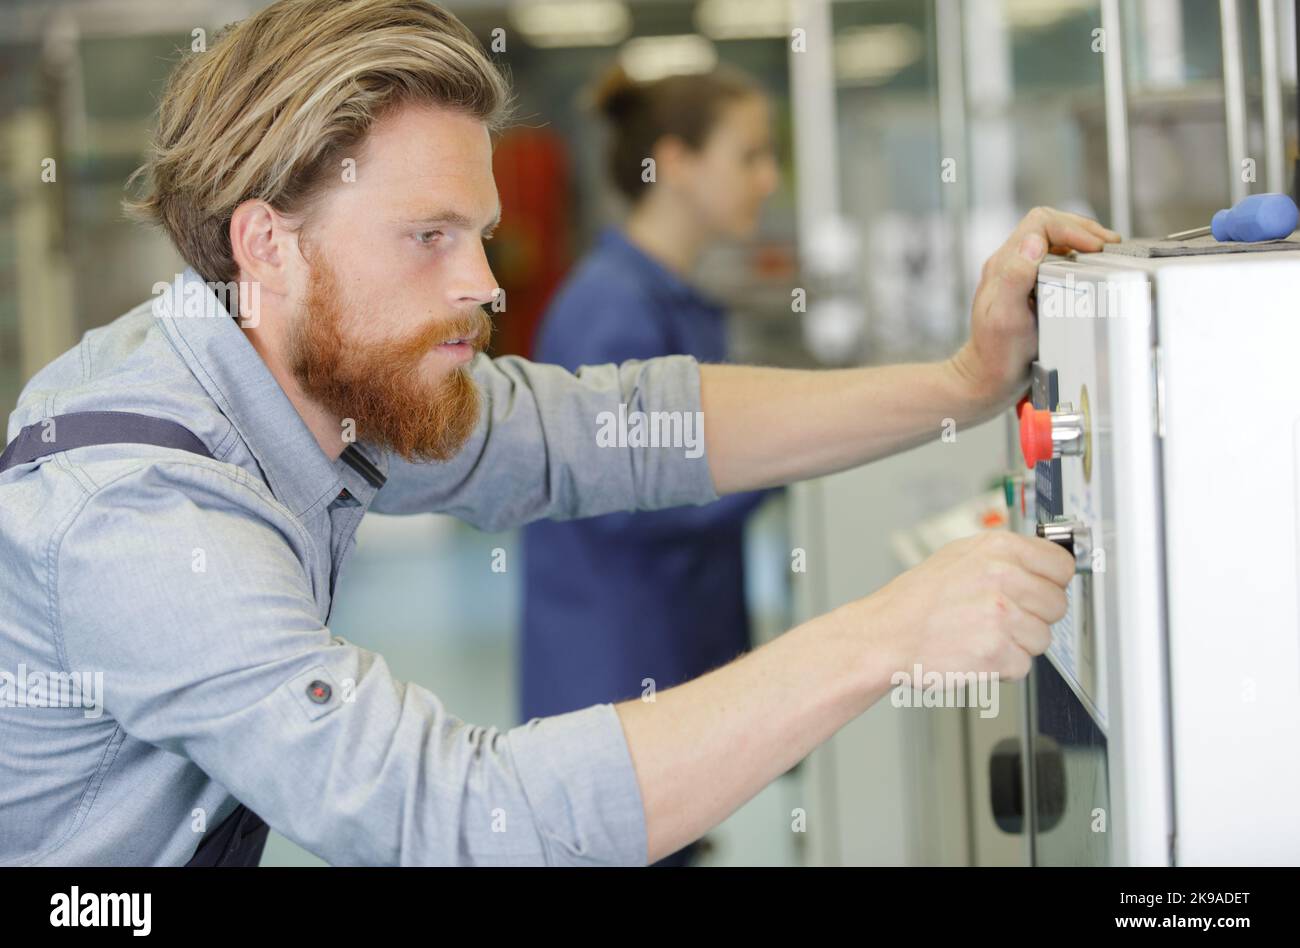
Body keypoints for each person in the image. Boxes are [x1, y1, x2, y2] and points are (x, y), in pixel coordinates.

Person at [0, 0, 1114, 866]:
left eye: (477, 233)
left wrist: (963, 383)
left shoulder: (289, 368)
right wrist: (884, 635)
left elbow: (609, 430)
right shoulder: (141, 514)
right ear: (267, 246)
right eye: (427, 235)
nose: (483, 284)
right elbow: (450, 821)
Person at [519, 62, 777, 869]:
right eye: (750, 156)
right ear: (674, 163)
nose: (770, 180)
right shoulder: (611, 311)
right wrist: (781, 452)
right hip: (618, 672)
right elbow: (631, 502)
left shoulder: (669, 299)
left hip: (665, 657)